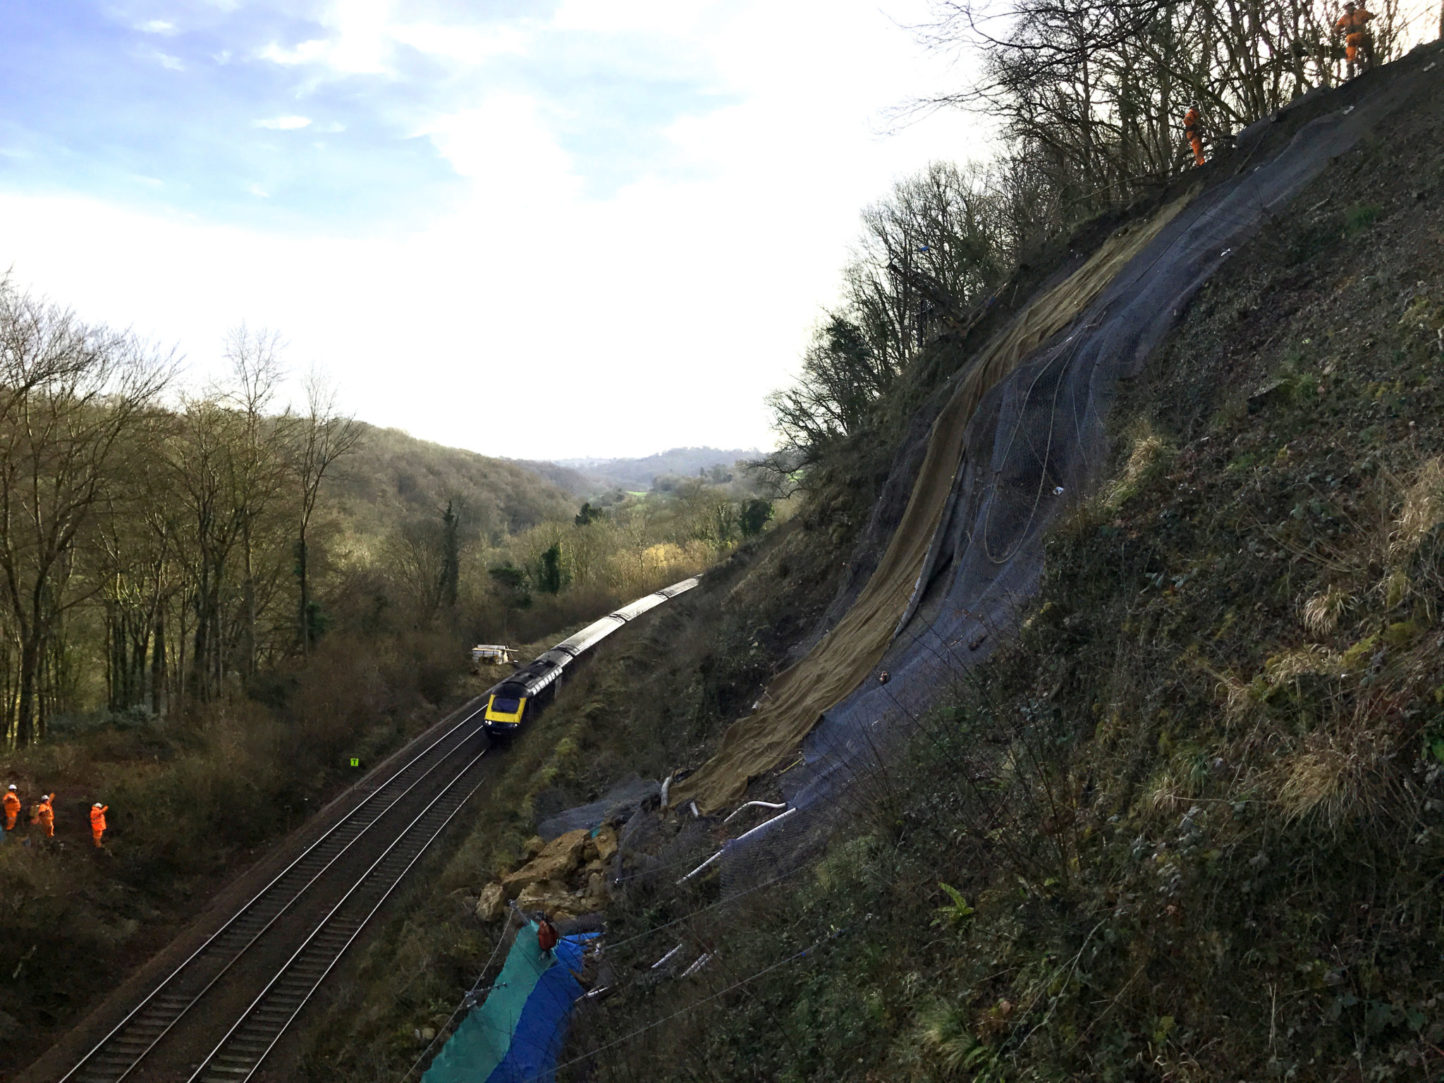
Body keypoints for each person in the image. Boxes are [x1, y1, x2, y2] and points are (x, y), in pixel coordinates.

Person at [1335, 1, 1375, 79]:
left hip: (1359, 36)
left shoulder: (1360, 12)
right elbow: (1337, 27)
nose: (1349, 8)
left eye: (1350, 6)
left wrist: (1367, 18)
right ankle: (1351, 76)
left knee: (1368, 43)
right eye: (1347, 7)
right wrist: (1338, 30)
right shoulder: (1344, 18)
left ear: (1352, 6)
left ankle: (1370, 66)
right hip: (1352, 39)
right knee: (1349, 56)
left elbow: (1372, 16)